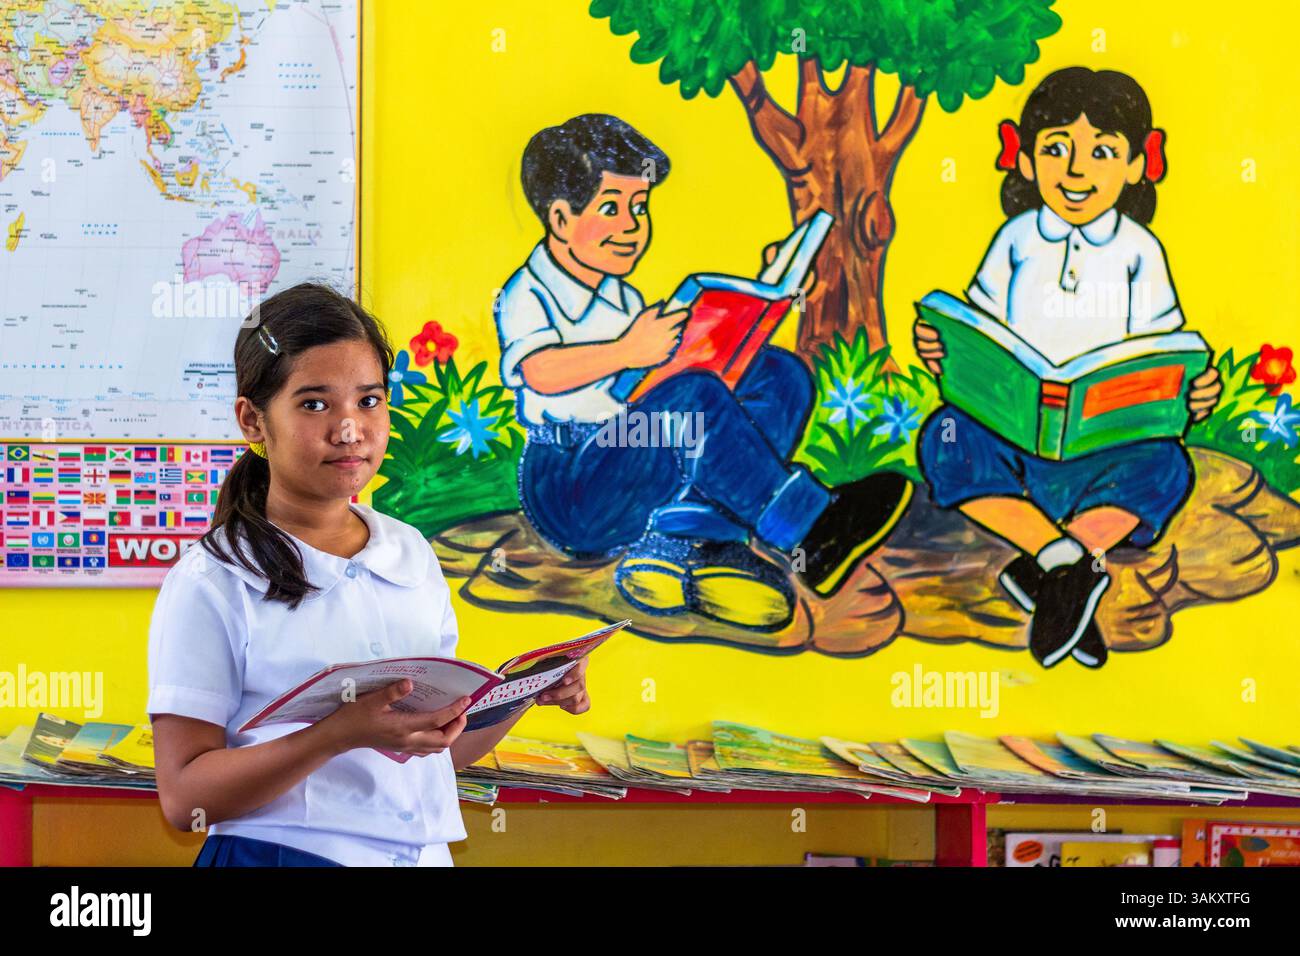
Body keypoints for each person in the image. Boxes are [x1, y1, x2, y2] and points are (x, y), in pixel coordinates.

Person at [147, 283, 591, 867]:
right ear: (253, 421)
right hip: (282, 854)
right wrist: (337, 733)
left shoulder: (409, 552)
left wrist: (525, 694)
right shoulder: (212, 580)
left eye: (368, 401)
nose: (349, 429)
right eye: (314, 404)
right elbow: (185, 798)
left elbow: (432, 750)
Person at [495, 113, 909, 631]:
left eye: (639, 209)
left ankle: (685, 541)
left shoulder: (623, 296)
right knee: (693, 396)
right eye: (611, 208)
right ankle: (810, 527)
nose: (631, 226)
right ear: (560, 219)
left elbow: (658, 387)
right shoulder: (526, 293)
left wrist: (759, 298)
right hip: (571, 482)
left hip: (632, 458)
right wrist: (627, 350)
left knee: (780, 374)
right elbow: (539, 372)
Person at [913, 68, 1222, 669]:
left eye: (1102, 153)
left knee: (1166, 468)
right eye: (1056, 149)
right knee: (944, 439)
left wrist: (1195, 394)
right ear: (1025, 159)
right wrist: (944, 353)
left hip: (1107, 450)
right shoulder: (1015, 240)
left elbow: (1165, 357)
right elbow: (982, 333)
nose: (1076, 172)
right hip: (1012, 444)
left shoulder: (1140, 252)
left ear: (1136, 165)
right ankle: (1065, 563)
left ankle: (1055, 570)